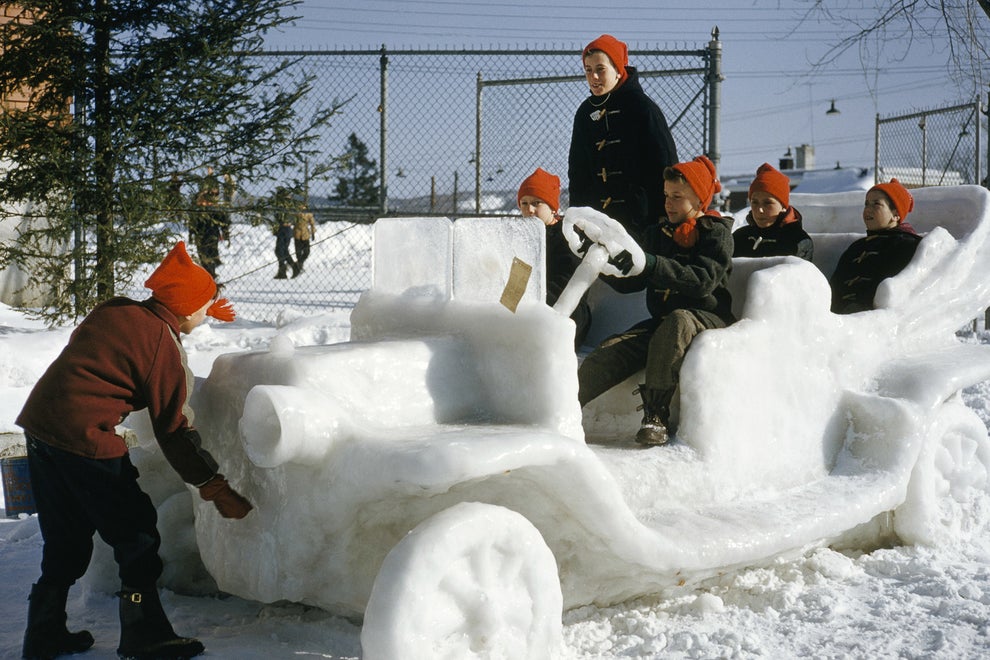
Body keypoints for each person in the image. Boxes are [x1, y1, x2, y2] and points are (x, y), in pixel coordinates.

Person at [16, 242, 252, 660]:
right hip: (86, 437)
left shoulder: (117, 308)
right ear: (185, 309)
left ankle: (43, 633)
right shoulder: (163, 347)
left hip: (41, 426)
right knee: (137, 535)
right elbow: (173, 430)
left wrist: (193, 312)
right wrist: (212, 484)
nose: (210, 310)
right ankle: (145, 635)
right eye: (206, 304)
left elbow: (96, 349)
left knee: (65, 537)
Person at [577, 155, 734, 446]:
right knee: (612, 350)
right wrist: (611, 266)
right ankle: (565, 407)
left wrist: (651, 264)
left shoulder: (716, 234)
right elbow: (635, 280)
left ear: (699, 200)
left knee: (676, 323)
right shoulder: (658, 234)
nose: (668, 203)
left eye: (677, 197)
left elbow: (702, 282)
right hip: (665, 323)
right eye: (666, 195)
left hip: (705, 318)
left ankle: (656, 416)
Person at [568, 34, 679, 244]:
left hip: (641, 219)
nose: (594, 77)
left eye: (601, 69)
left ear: (618, 70)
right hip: (598, 218)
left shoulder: (642, 108)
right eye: (588, 70)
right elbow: (578, 171)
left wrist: (664, 213)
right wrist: (579, 215)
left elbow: (665, 163)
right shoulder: (585, 113)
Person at [517, 167, 591, 348]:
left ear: (552, 207)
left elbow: (564, 284)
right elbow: (515, 282)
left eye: (537, 203)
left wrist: (529, 305)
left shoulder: (566, 237)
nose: (530, 210)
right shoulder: (524, 237)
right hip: (529, 311)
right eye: (524, 203)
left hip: (566, 314)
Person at [830, 178, 922, 314]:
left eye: (876, 204)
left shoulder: (907, 245)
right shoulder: (856, 247)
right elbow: (834, 286)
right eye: (866, 204)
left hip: (875, 320)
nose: (868, 209)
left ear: (895, 215)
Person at [732, 163, 814, 261]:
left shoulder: (797, 241)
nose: (760, 209)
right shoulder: (739, 237)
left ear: (783, 206)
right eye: (755, 202)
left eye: (767, 203)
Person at [190, 166, 231, 279]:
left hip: (211, 231)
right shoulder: (198, 203)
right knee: (203, 254)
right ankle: (208, 275)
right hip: (201, 231)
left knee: (210, 253)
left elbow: (223, 219)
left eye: (215, 193)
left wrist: (225, 232)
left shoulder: (215, 207)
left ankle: (211, 274)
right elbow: (193, 218)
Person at [273, 187, 300, 280]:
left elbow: (286, 216)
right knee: (282, 250)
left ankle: (288, 269)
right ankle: (288, 269)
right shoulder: (284, 204)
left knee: (281, 250)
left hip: (285, 228)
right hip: (283, 228)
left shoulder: (286, 204)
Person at [293, 209, 317, 275]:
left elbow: (312, 223)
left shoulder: (308, 213)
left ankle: (299, 264)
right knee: (298, 252)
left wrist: (313, 233)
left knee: (306, 252)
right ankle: (299, 266)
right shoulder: (296, 211)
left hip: (305, 234)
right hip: (297, 233)